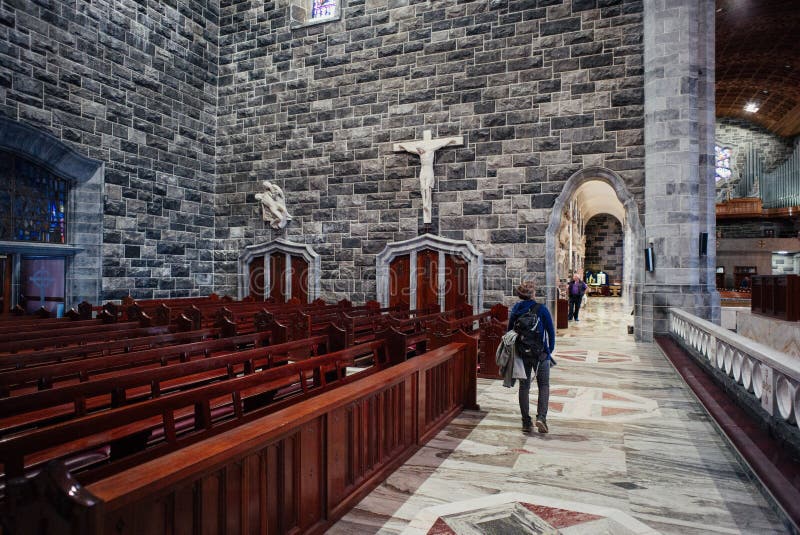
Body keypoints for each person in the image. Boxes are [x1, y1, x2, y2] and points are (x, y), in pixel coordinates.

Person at [507, 280, 556, 434]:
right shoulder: (541, 309)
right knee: (544, 385)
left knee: (524, 387)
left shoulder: (516, 309)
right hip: (540, 353)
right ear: (533, 294)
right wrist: (549, 351)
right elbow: (551, 332)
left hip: (522, 353)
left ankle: (526, 422)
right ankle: (541, 418)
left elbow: (509, 331)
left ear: (520, 295)